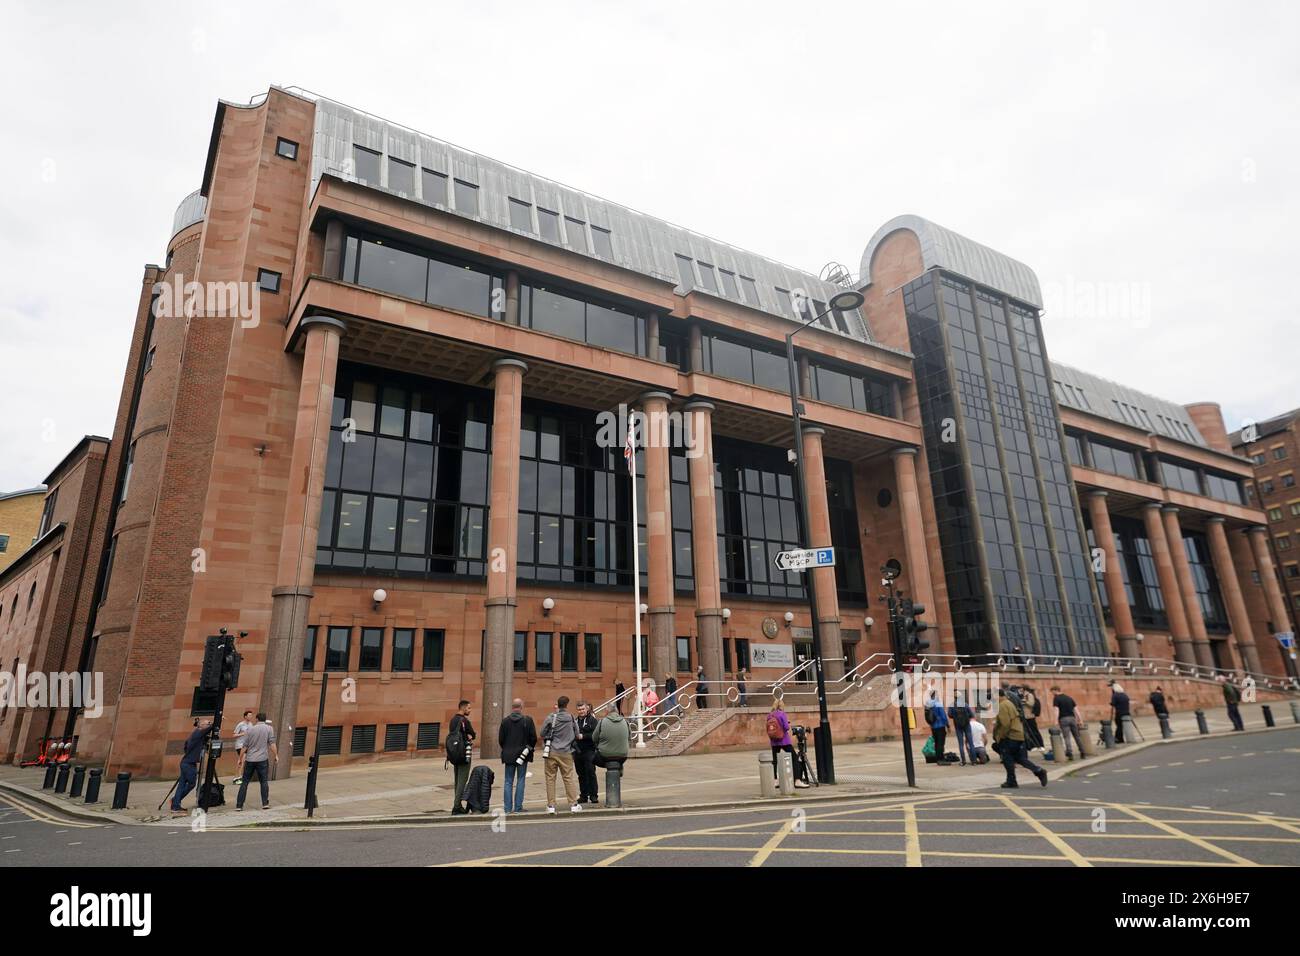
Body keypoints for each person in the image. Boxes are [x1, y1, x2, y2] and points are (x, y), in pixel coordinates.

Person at [993, 688, 1047, 789]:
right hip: (1018, 734)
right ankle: (1038, 771)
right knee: (1021, 759)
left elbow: (1005, 724)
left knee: (1007, 759)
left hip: (1010, 736)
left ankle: (1012, 781)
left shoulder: (1002, 705)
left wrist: (1001, 737)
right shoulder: (1009, 703)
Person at [540, 696, 583, 814]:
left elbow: (542, 732)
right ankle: (573, 804)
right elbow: (577, 733)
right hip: (566, 752)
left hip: (552, 751)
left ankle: (551, 806)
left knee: (550, 778)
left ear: (558, 705)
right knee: (568, 778)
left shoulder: (551, 717)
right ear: (567, 705)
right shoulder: (570, 718)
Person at [498, 698, 537, 814]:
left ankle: (507, 808)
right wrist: (528, 749)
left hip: (508, 754)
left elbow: (501, 740)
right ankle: (518, 807)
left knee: (508, 781)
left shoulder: (505, 721)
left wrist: (507, 749)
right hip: (522, 755)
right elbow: (533, 738)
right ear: (521, 706)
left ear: (512, 707)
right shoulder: (527, 720)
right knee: (521, 780)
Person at [235, 712, 277, 811]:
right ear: (265, 719)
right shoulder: (269, 729)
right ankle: (265, 803)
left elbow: (244, 746)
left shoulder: (250, 730)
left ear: (257, 719)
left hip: (250, 759)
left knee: (245, 782)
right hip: (262, 759)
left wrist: (240, 759)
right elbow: (272, 743)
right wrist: (276, 755)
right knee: (263, 781)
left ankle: (239, 805)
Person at [170, 719, 211, 814]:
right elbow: (209, 729)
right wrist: (216, 721)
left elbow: (186, 746)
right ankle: (175, 801)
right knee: (192, 784)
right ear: (201, 726)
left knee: (181, 785)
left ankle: (175, 805)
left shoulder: (195, 734)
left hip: (186, 762)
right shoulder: (198, 733)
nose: (208, 725)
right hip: (189, 764)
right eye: (207, 723)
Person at [448, 699, 476, 814]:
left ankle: (458, 805)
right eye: (469, 708)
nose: (470, 710)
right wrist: (470, 737)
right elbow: (472, 734)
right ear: (463, 708)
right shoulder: (464, 720)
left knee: (457, 780)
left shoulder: (453, 720)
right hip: (464, 754)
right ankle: (456, 807)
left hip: (454, 754)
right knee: (462, 781)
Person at [592, 705, 630, 786]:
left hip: (604, 756)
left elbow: (594, 738)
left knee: (590, 758)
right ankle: (619, 766)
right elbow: (629, 737)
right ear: (616, 712)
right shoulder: (625, 722)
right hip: (623, 756)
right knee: (618, 758)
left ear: (607, 712)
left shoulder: (602, 722)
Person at [573, 701, 599, 805]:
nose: (581, 711)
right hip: (578, 751)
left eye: (583, 709)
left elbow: (595, 734)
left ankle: (593, 795)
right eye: (579, 710)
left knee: (591, 772)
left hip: (589, 750)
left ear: (587, 709)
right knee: (581, 774)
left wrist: (583, 736)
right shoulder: (574, 721)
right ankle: (583, 795)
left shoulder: (592, 720)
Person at [1050, 685, 1084, 760]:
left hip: (1063, 719)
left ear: (1055, 690)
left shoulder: (1056, 698)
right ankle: (1082, 752)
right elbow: (1076, 710)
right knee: (1077, 736)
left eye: (1052, 691)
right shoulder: (1069, 698)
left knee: (1067, 737)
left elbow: (1056, 710)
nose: (1052, 693)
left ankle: (1070, 753)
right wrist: (1080, 720)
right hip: (1072, 718)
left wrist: (1055, 721)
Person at [765, 698, 795, 780]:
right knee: (794, 758)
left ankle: (774, 778)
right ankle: (797, 778)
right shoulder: (782, 714)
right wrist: (788, 724)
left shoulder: (769, 715)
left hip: (774, 741)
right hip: (784, 740)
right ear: (781, 705)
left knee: (775, 760)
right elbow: (786, 727)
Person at [950, 694, 975, 765]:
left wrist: (956, 717)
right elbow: (972, 715)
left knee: (961, 744)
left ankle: (963, 761)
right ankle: (974, 761)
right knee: (971, 743)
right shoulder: (965, 705)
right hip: (967, 725)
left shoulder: (952, 705)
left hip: (958, 726)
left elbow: (950, 715)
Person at [925, 689, 949, 763]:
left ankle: (937, 757)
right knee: (941, 743)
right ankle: (940, 758)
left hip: (933, 727)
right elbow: (943, 716)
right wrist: (948, 725)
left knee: (936, 742)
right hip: (940, 726)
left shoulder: (927, 704)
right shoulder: (938, 703)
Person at [231, 710, 253, 785]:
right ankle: (239, 777)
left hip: (247, 745)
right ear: (245, 716)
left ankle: (236, 777)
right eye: (249, 715)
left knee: (242, 761)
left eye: (251, 715)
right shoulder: (240, 724)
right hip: (240, 745)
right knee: (242, 760)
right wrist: (242, 734)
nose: (250, 716)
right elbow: (234, 735)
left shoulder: (251, 724)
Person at [1021, 685, 1044, 752]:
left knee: (1034, 731)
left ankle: (1041, 745)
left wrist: (1024, 701)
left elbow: (1031, 704)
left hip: (1030, 716)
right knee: (1029, 732)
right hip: (1026, 716)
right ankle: (1034, 745)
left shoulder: (1029, 695)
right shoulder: (1024, 695)